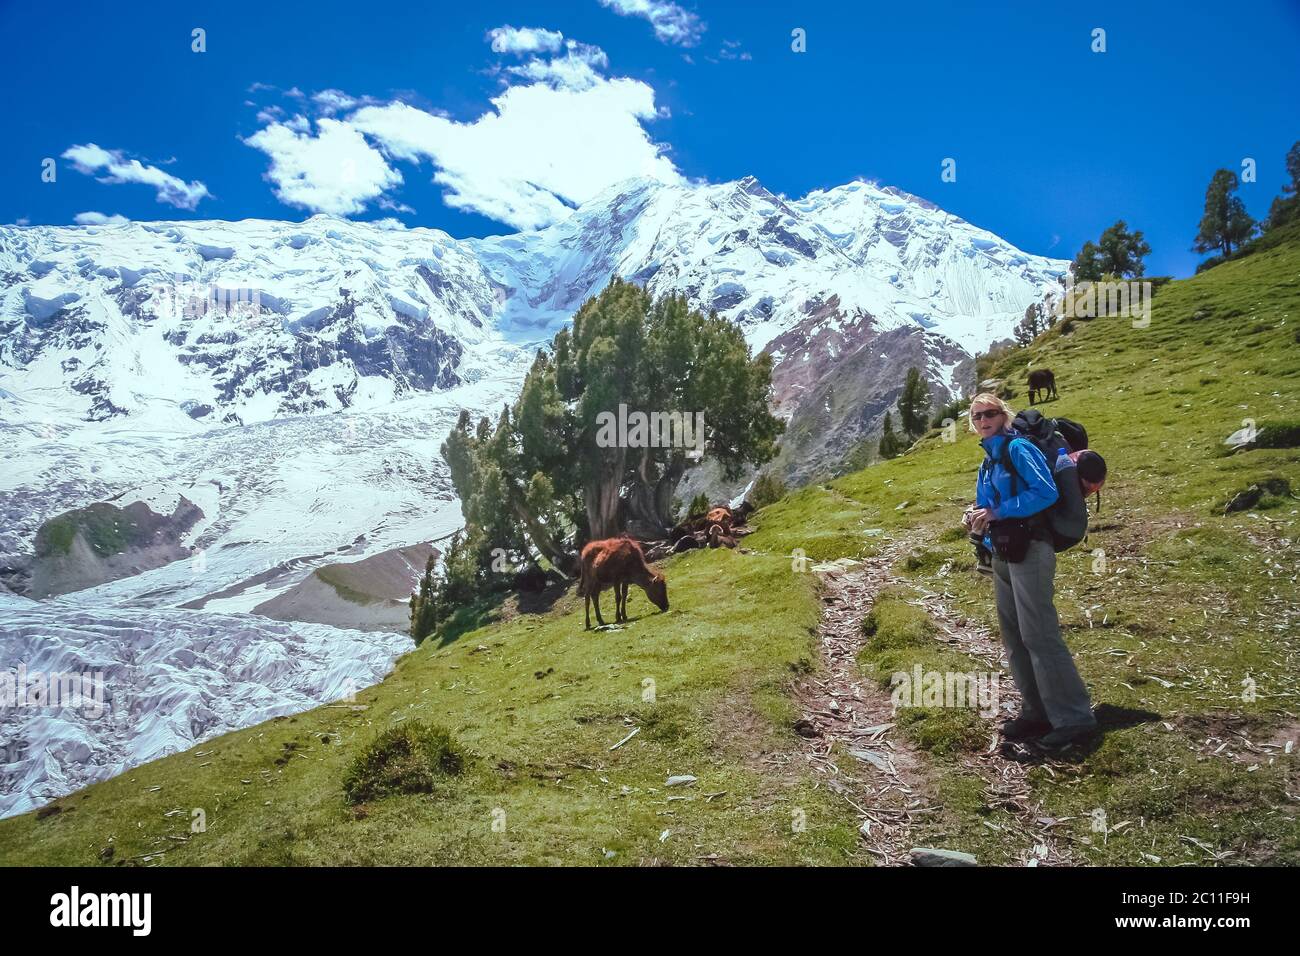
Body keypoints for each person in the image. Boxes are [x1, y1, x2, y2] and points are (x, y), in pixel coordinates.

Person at [962, 393, 1097, 750]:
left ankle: (1074, 718)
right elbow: (986, 506)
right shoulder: (987, 462)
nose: (983, 420)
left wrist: (1000, 512)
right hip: (1004, 552)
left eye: (989, 413)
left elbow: (1045, 492)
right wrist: (977, 518)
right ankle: (1035, 711)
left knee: (1039, 635)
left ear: (1002, 416)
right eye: (976, 416)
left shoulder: (1019, 449)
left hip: (1033, 548)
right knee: (1014, 635)